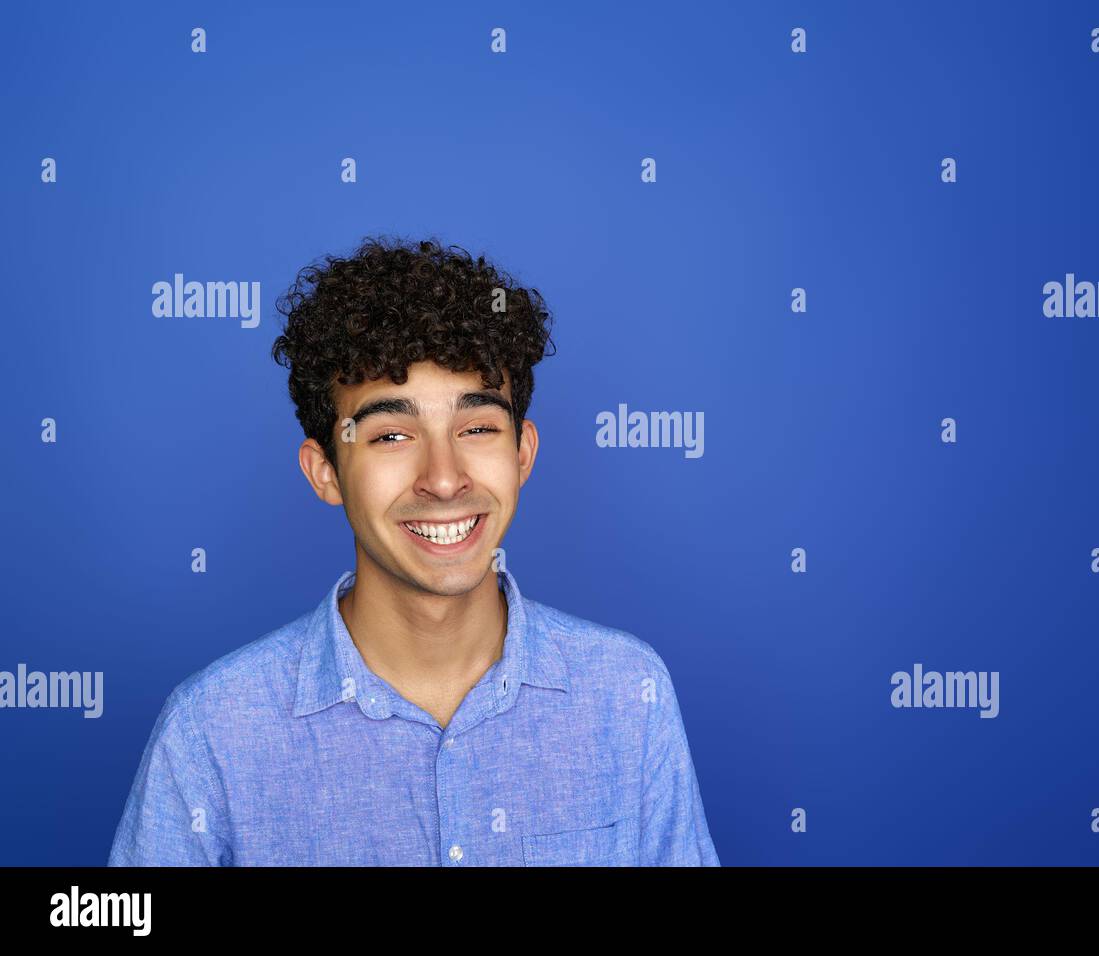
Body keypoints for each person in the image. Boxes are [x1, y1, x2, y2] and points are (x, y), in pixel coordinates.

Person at [108, 235, 719, 866]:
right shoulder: (210, 732)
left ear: (523, 453)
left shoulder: (628, 696)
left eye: (477, 427)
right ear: (324, 472)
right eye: (392, 434)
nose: (445, 477)